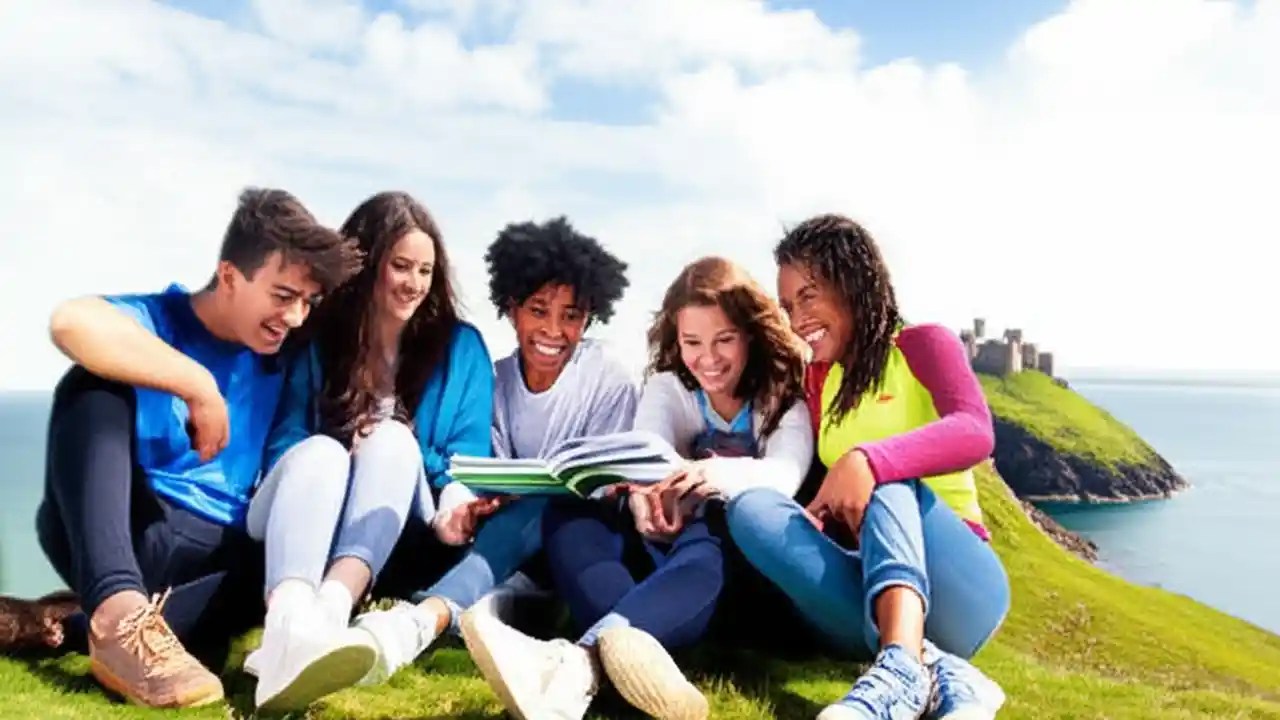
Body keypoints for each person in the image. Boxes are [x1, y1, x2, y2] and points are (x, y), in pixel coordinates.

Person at [27, 188, 361, 709]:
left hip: (221, 555)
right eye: (282, 295)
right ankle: (116, 612)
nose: (296, 316)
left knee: (305, 548)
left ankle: (66, 629)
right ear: (229, 276)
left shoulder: (287, 355)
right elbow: (70, 322)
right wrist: (197, 385)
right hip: (126, 526)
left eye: (306, 302)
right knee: (90, 385)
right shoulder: (159, 319)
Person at [460, 256, 812, 720]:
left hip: (722, 570)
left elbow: (785, 474)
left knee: (713, 524)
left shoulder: (782, 397)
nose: (708, 358)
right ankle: (639, 664)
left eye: (724, 339)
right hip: (660, 549)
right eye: (692, 342)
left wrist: (713, 475)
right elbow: (649, 451)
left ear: (750, 334)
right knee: (571, 515)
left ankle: (577, 664)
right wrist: (646, 502)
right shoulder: (669, 387)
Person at [725, 213, 1011, 720]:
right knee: (751, 510)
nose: (797, 320)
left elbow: (975, 430)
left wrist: (868, 460)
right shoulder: (821, 379)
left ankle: (901, 668)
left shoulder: (921, 344)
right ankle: (934, 667)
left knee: (886, 478)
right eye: (788, 307)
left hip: (959, 583)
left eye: (808, 296)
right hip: (869, 583)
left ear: (852, 281)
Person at [351, 215, 637, 685]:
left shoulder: (606, 373)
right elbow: (484, 472)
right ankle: (482, 614)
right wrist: (481, 503)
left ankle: (420, 620)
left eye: (572, 315)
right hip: (507, 538)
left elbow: (606, 483)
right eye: (538, 310)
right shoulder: (497, 380)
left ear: (590, 317)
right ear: (511, 308)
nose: (554, 330)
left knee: (551, 504)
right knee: (511, 539)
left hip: (583, 537)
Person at [239, 191, 494, 712]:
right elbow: (284, 442)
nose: (414, 283)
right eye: (401, 266)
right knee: (321, 453)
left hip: (400, 526)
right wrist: (344, 449)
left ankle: (329, 612)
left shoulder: (461, 347)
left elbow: (465, 458)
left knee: (392, 440)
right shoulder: (317, 340)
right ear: (369, 263)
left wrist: (447, 502)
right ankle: (290, 624)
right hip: (304, 511)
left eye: (425, 270)